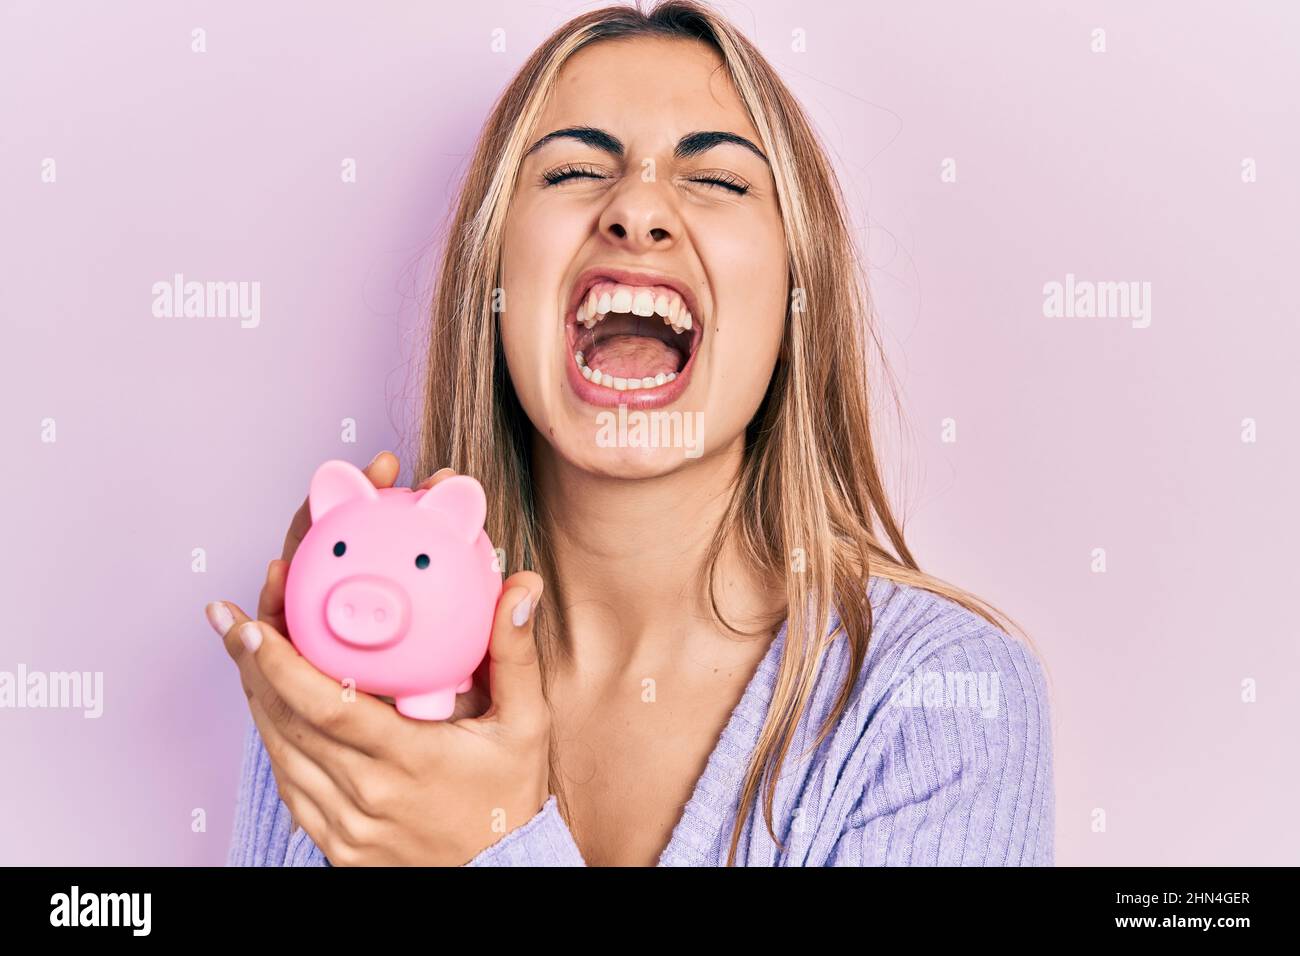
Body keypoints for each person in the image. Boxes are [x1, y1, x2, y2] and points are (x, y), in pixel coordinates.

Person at [206, 0, 1053, 867]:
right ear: (492, 274)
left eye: (717, 181)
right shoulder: (359, 658)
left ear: (798, 295)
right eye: (573, 172)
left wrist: (482, 849)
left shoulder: (943, 699)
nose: (637, 211)